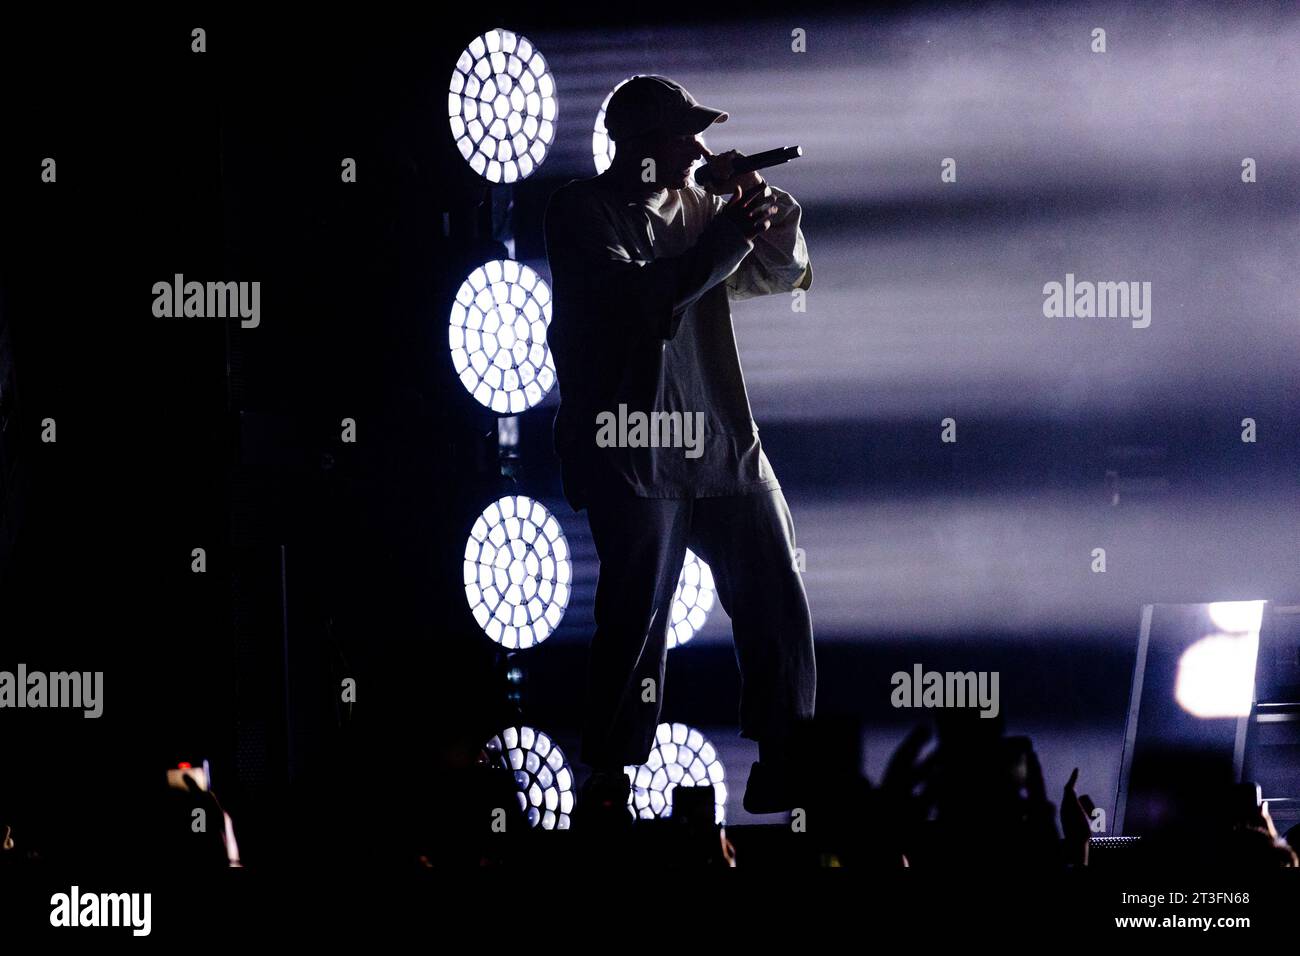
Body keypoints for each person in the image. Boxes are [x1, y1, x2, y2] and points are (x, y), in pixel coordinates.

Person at [543, 75, 816, 814]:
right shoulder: (581, 211)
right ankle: (609, 774)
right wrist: (728, 233)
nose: (699, 149)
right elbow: (647, 298)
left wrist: (768, 215)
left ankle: (785, 753)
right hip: (633, 452)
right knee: (637, 618)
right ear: (637, 147)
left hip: (721, 438)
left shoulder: (701, 208)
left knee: (776, 581)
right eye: (681, 135)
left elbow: (779, 275)